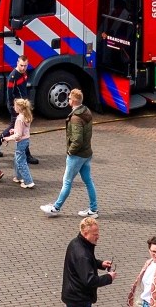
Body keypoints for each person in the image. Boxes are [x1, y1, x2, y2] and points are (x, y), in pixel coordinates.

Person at [41, 88, 100, 218]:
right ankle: (93, 209)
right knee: (88, 181)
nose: (68, 100)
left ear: (72, 101)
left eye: (69, 99)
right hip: (86, 153)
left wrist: (70, 151)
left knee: (67, 182)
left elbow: (77, 139)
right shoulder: (86, 111)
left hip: (77, 155)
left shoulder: (75, 118)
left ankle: (56, 208)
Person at [61, 217, 116, 307]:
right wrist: (109, 278)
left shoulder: (75, 243)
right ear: (86, 234)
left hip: (73, 296)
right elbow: (90, 280)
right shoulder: (83, 254)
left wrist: (100, 264)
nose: (98, 237)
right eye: (95, 234)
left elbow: (85, 263)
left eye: (98, 234)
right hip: (79, 300)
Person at [4, 98, 35, 189]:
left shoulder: (19, 119)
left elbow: (18, 135)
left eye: (15, 106)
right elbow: (22, 130)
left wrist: (8, 138)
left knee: (21, 162)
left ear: (19, 108)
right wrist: (14, 130)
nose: (14, 107)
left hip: (21, 142)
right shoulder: (26, 116)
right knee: (17, 158)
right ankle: (19, 177)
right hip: (26, 140)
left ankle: (28, 181)